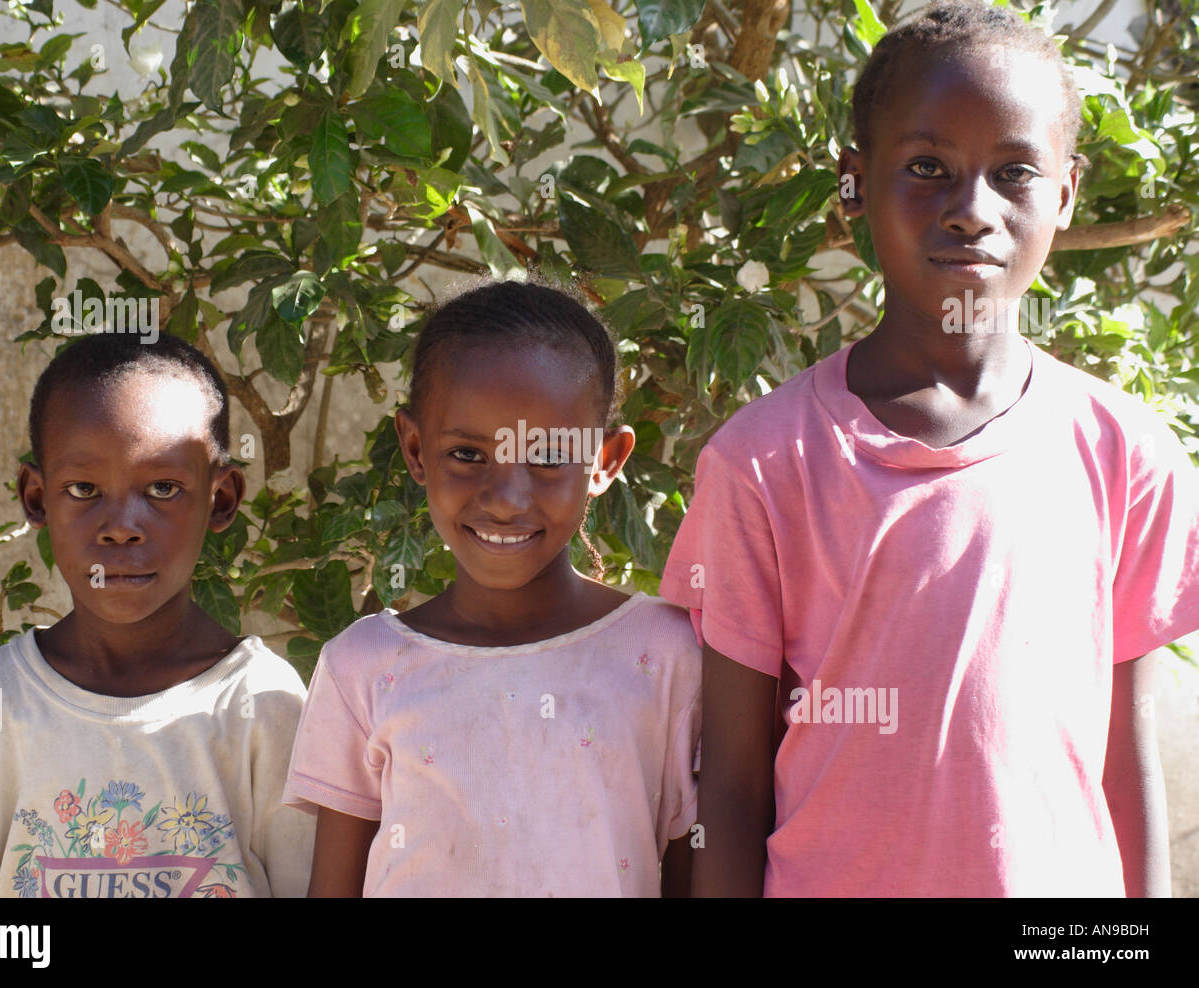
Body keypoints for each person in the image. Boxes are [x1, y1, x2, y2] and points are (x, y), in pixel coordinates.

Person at [661, 0, 1199, 897]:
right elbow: (732, 781)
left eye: (1015, 172)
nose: (971, 210)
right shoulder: (761, 463)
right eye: (927, 168)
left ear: (1066, 191)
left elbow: (1124, 766)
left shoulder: (1126, 456)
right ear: (855, 182)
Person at [283, 279, 701, 896]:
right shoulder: (363, 667)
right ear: (416, 448)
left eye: (550, 456)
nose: (506, 500)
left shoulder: (668, 657)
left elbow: (696, 865)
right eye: (469, 455)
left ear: (606, 462)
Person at [0, 331, 314, 897]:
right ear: (37, 497)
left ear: (221, 499)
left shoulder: (261, 705)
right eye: (84, 488)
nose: (122, 525)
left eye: (164, 488)